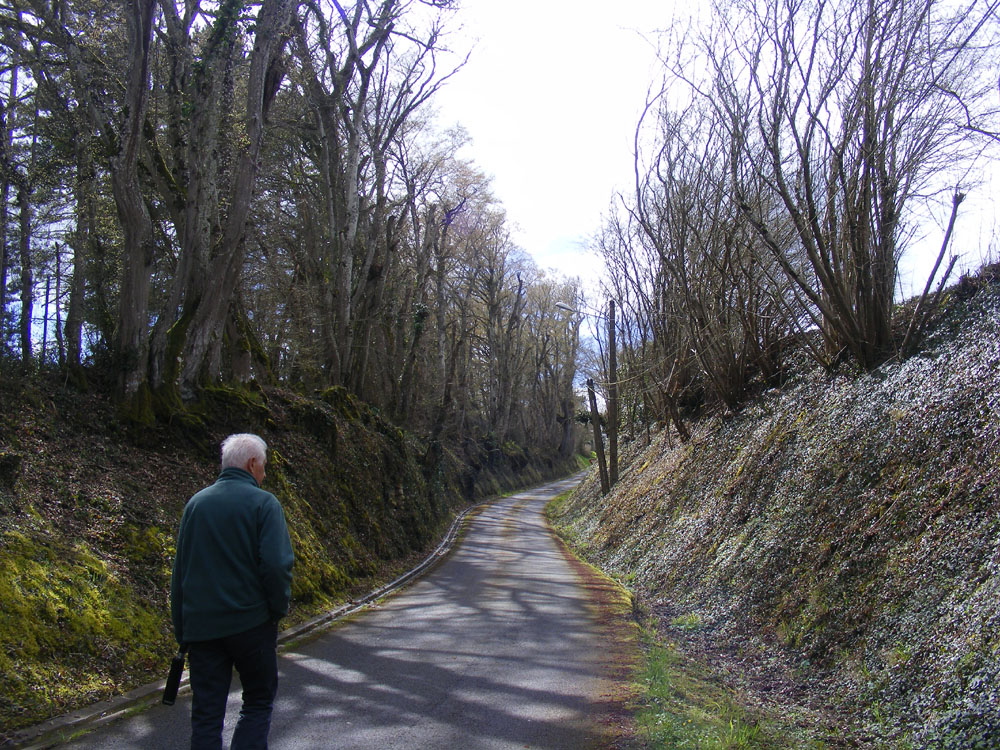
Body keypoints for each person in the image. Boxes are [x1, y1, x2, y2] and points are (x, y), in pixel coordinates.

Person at [171, 433, 294, 750]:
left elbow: (180, 572)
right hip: (251, 625)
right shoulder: (264, 504)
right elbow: (276, 565)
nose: (264, 474)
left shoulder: (196, 505)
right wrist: (276, 609)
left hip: (202, 629)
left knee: (206, 715)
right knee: (257, 701)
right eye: (263, 467)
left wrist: (183, 630)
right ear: (252, 464)